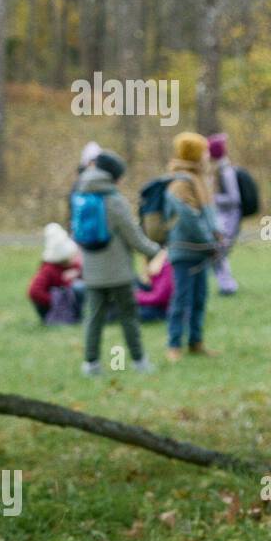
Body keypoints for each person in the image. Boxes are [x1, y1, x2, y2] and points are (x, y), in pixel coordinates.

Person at [75, 151, 162, 375]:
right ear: (114, 176)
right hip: (118, 271)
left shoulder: (81, 196)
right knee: (128, 316)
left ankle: (91, 364)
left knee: (93, 317)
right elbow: (134, 237)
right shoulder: (114, 201)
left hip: (92, 270)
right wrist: (157, 252)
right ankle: (139, 361)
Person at [164, 132, 221, 362]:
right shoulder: (180, 182)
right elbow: (189, 217)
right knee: (182, 299)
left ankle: (196, 341)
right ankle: (174, 344)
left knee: (199, 298)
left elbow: (207, 214)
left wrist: (216, 235)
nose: (208, 156)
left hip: (201, 250)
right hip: (185, 250)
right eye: (204, 151)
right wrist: (209, 240)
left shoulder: (199, 179)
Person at [28, 223, 82, 323]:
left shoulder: (71, 267)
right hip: (51, 308)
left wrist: (76, 273)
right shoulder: (48, 270)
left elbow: (81, 270)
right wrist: (55, 301)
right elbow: (34, 291)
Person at [208, 133, 241, 295]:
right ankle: (225, 284)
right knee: (218, 254)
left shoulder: (225, 172)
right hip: (221, 217)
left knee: (220, 252)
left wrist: (211, 198)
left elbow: (234, 198)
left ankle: (228, 286)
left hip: (228, 219)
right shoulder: (217, 170)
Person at [136, 249, 173, 321]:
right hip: (157, 303)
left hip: (164, 308)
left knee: (140, 313)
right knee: (136, 281)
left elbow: (159, 297)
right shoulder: (157, 268)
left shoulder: (167, 268)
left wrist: (136, 296)